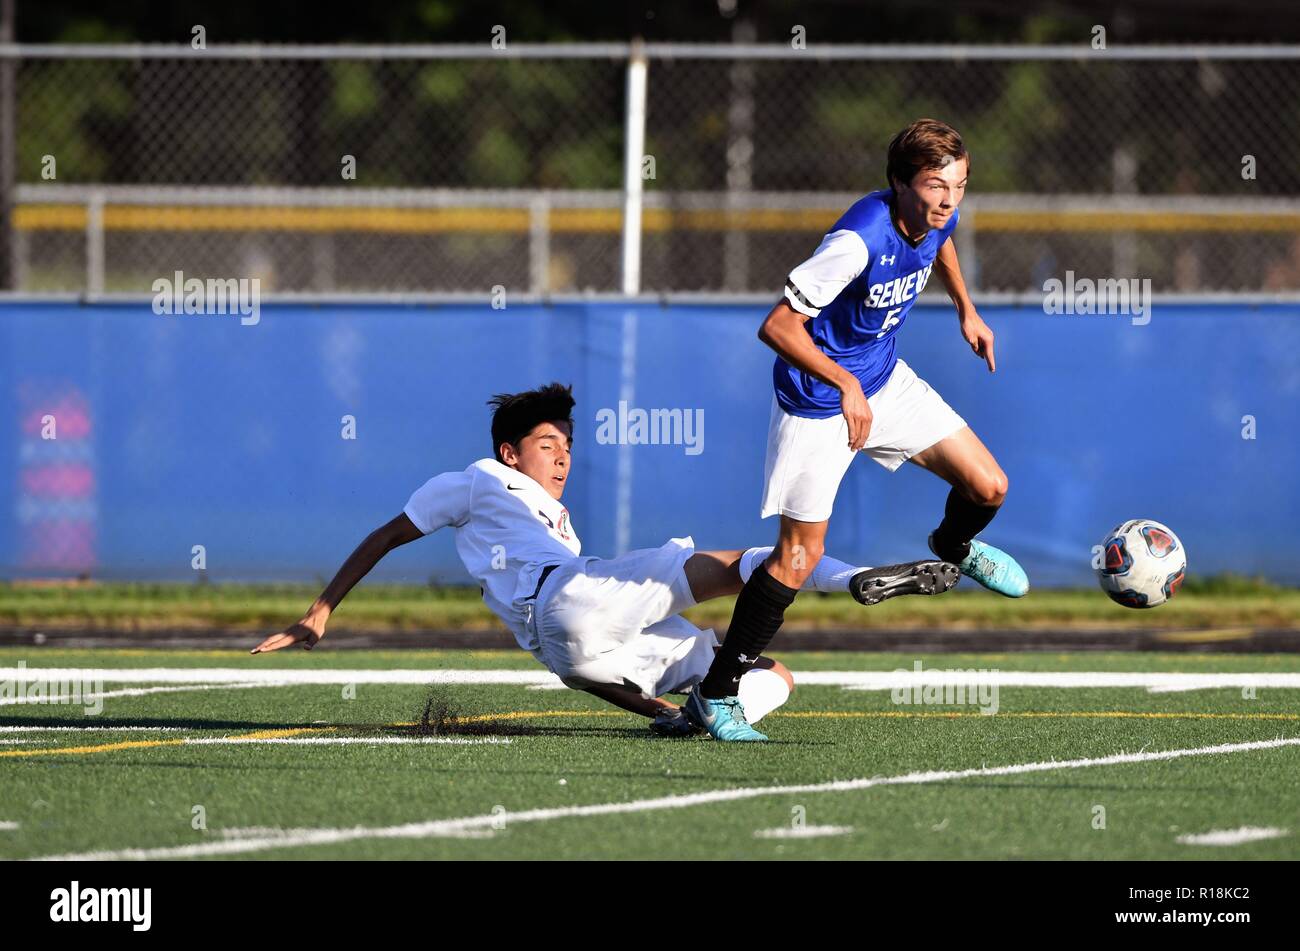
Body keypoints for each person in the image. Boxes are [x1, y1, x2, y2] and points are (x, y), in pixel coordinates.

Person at [251, 383, 957, 737]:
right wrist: (319, 611)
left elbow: (576, 666)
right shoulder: (476, 478)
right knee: (740, 560)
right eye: (544, 444)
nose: (560, 454)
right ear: (509, 453)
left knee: (774, 676)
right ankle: (845, 576)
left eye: (566, 444)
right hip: (577, 593)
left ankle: (698, 713)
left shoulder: (554, 524)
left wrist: (651, 708)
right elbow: (386, 534)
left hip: (567, 640)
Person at [685, 118, 1028, 743]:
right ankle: (716, 693)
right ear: (899, 183)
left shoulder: (936, 214)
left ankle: (952, 546)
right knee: (797, 557)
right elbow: (779, 327)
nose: (949, 200)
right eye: (935, 186)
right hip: (817, 402)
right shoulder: (856, 240)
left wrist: (966, 309)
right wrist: (843, 385)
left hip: (885, 383)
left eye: (960, 185)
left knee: (989, 487)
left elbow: (942, 240)